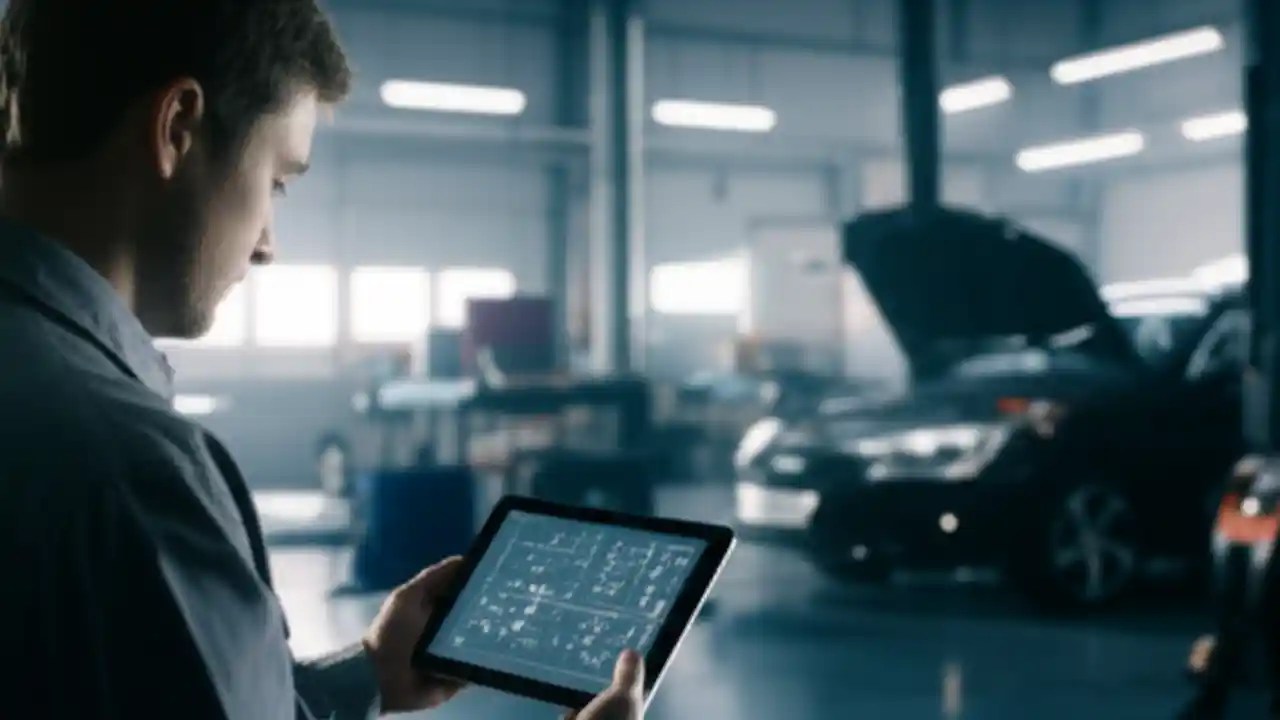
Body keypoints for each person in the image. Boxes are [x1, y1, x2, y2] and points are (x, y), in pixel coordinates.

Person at [0, 1, 642, 718]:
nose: (269, 243)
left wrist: (368, 674)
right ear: (178, 127)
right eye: (277, 180)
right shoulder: (131, 471)